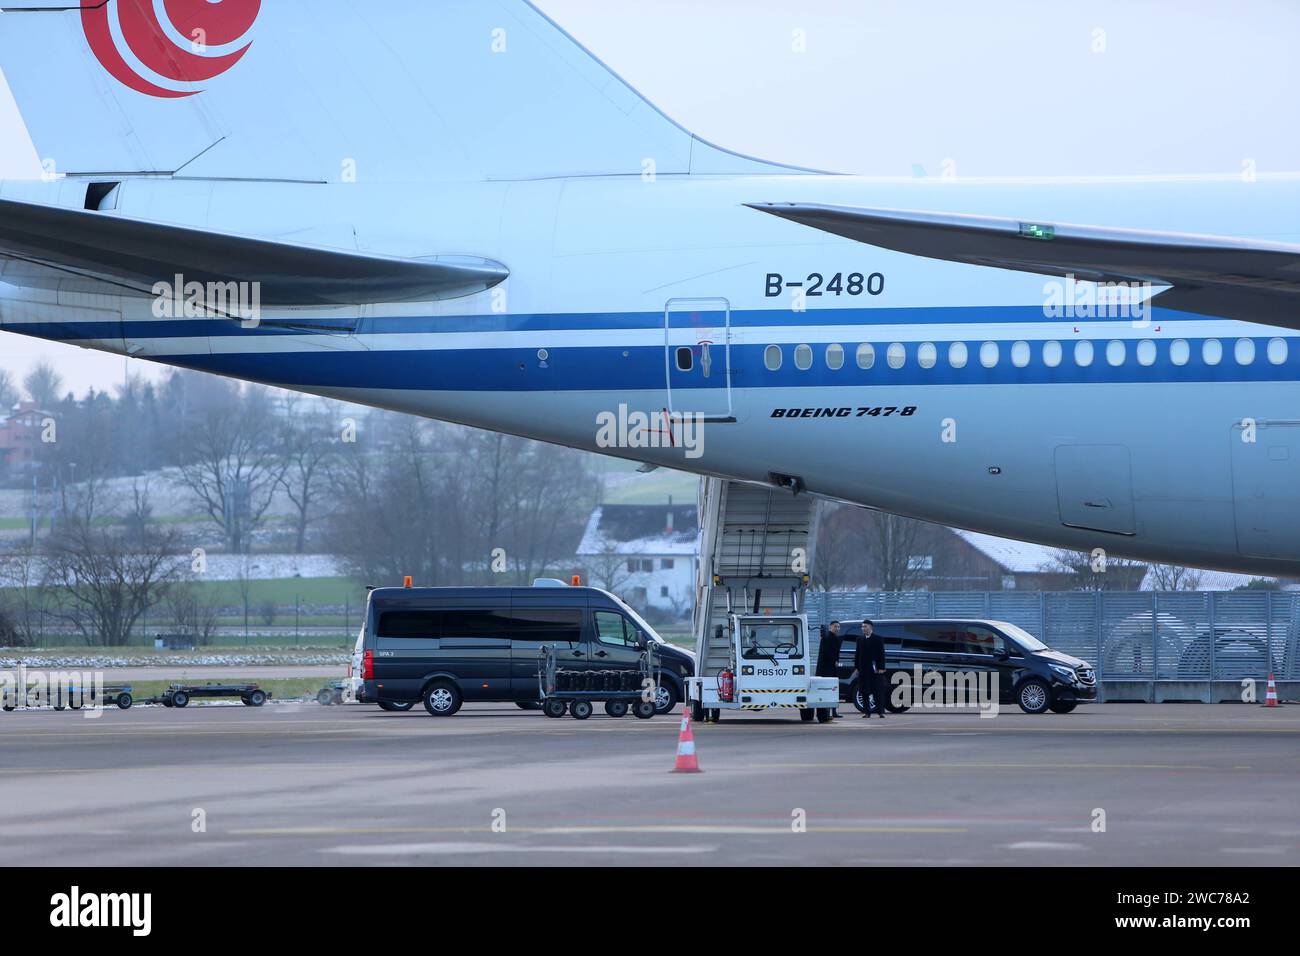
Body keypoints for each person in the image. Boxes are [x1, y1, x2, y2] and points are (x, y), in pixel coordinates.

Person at [854, 618, 887, 718]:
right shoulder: (859, 639)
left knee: (877, 691)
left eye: (865, 626)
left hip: (875, 670)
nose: (863, 628)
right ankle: (867, 712)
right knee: (864, 691)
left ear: (870, 627)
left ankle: (880, 711)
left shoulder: (878, 639)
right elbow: (857, 654)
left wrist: (881, 667)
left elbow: (882, 654)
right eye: (862, 627)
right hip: (863, 670)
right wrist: (856, 667)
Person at [815, 620, 844, 719]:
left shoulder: (835, 638)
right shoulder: (827, 638)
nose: (837, 629)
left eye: (839, 627)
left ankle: (834, 711)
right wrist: (834, 661)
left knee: (833, 690)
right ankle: (826, 712)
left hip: (832, 668)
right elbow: (826, 653)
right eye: (835, 626)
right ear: (830, 627)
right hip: (826, 669)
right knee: (826, 690)